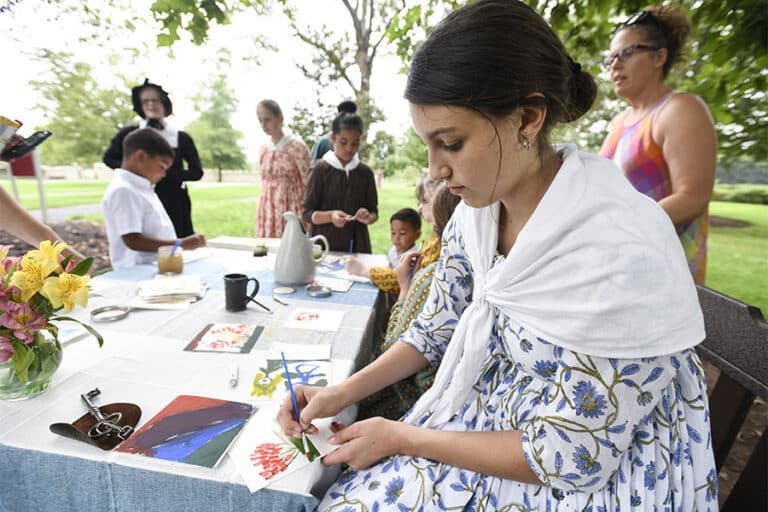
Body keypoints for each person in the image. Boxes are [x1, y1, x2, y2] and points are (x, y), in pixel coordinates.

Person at [280, 1, 717, 510]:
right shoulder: (478, 216)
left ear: (528, 118)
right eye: (429, 145)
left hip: (589, 472)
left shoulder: (618, 253)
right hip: (494, 425)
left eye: (451, 143)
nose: (436, 170)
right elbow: (436, 328)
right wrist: (341, 391)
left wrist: (404, 437)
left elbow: (573, 455)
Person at [599, 6, 716, 284]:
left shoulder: (680, 109)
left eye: (627, 53)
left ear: (659, 57)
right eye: (611, 57)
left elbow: (693, 197)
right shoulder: (619, 122)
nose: (615, 64)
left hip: (668, 276)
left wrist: (618, 228)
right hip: (622, 269)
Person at [358, 183, 460, 421]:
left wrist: (405, 288)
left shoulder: (435, 276)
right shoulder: (495, 274)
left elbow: (393, 347)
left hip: (412, 404)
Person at [103, 79, 204, 238]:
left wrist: (166, 173)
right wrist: (139, 172)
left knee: (177, 239)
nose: (151, 104)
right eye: (146, 101)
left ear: (164, 102)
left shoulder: (181, 137)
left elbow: (196, 172)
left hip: (173, 198)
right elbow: (109, 158)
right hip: (139, 193)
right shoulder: (129, 133)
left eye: (155, 100)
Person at [102, 129, 205, 270]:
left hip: (155, 266)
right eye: (162, 166)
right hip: (136, 271)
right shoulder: (124, 190)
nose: (163, 174)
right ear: (140, 156)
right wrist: (179, 244)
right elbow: (132, 240)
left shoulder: (143, 187)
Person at [344, 176, 440, 295]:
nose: (420, 208)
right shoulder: (437, 235)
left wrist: (363, 270)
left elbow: (406, 279)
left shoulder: (440, 242)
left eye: (424, 201)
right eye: (393, 232)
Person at [302, 111, 378, 253]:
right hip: (324, 245)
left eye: (355, 143)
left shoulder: (365, 173)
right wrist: (330, 216)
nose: (349, 148)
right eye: (343, 142)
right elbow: (306, 213)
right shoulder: (320, 170)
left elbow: (374, 212)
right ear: (333, 138)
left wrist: (368, 216)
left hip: (357, 245)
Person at [254, 99, 311, 238]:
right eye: (260, 120)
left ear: (280, 118)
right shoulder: (264, 150)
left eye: (267, 119)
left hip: (290, 205)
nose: (263, 125)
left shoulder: (296, 146)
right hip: (268, 206)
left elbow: (308, 181)